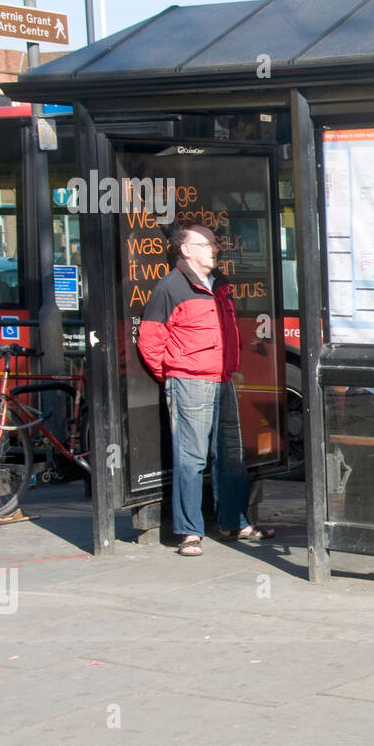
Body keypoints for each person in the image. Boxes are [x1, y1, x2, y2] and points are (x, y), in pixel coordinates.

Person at [137, 222, 272, 556]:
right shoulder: (170, 287)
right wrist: (174, 375)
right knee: (191, 457)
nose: (215, 248)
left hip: (223, 379)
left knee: (231, 457)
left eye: (215, 243)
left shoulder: (220, 284)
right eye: (207, 243)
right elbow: (150, 341)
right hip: (191, 382)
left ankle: (234, 521)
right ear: (186, 250)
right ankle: (188, 532)